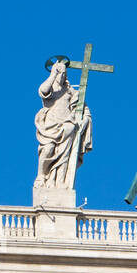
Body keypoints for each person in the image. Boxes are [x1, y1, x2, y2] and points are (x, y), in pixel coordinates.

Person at [35, 60, 92, 190]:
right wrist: (52, 75)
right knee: (48, 149)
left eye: (63, 73)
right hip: (50, 126)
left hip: (66, 126)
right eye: (59, 72)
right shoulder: (50, 89)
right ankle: (42, 175)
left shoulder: (70, 91)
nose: (61, 75)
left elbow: (84, 108)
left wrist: (84, 120)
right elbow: (43, 90)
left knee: (64, 154)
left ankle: (60, 181)